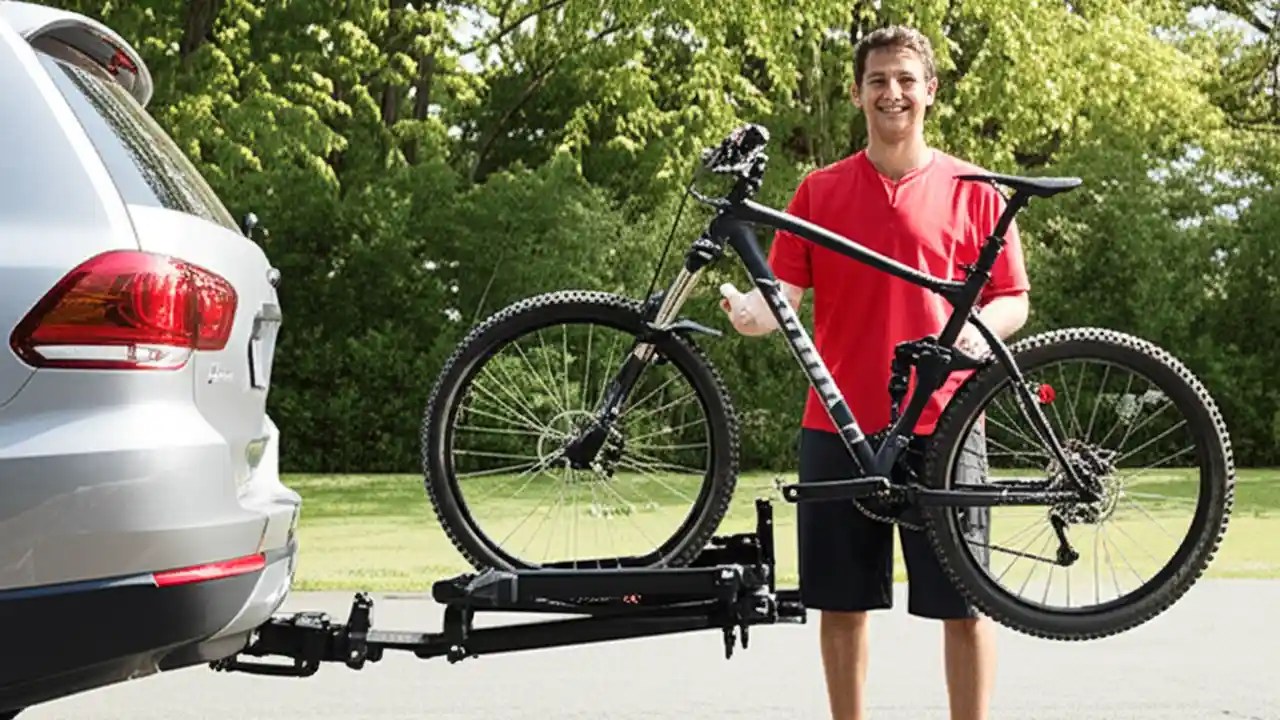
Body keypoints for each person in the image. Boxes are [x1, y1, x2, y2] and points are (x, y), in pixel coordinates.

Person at [717, 25, 1030, 720]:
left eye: (906, 80)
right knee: (841, 604)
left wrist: (980, 335)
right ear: (857, 93)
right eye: (879, 81)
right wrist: (749, 314)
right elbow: (783, 303)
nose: (893, 93)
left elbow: (1014, 299)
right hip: (837, 425)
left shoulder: (974, 189)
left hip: (947, 425)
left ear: (931, 92)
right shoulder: (818, 190)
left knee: (967, 606)